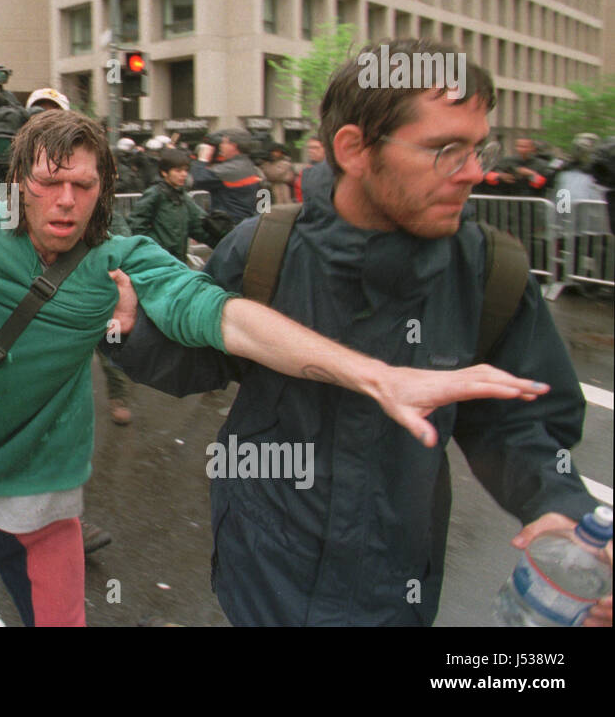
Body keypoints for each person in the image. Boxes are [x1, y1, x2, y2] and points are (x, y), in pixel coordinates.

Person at [0, 108, 549, 627]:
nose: (65, 201)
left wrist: (375, 375)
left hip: (49, 510)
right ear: (18, 185)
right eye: (49, 183)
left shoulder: (123, 260)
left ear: (104, 192)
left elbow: (224, 317)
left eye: (83, 186)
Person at [104, 39, 607, 626]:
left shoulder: (490, 270)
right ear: (355, 149)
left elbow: (517, 423)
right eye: (446, 149)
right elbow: (202, 361)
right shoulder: (266, 249)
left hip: (396, 589)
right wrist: (129, 329)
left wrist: (555, 504)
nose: (476, 172)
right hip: (263, 574)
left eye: (478, 147)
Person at [127, 149, 215, 263]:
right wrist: (154, 248)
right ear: (164, 172)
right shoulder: (155, 193)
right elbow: (136, 225)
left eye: (185, 170)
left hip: (178, 260)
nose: (183, 175)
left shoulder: (182, 196)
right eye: (178, 171)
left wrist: (221, 235)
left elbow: (197, 226)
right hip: (158, 261)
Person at [188, 129, 265, 222]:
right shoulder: (250, 166)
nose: (220, 146)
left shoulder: (231, 169)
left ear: (233, 146)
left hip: (231, 224)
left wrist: (202, 159)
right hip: (247, 223)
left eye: (224, 142)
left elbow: (196, 180)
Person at [292, 135, 326, 202]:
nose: (311, 151)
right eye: (309, 148)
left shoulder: (335, 169)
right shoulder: (306, 172)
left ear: (326, 149)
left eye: (315, 148)